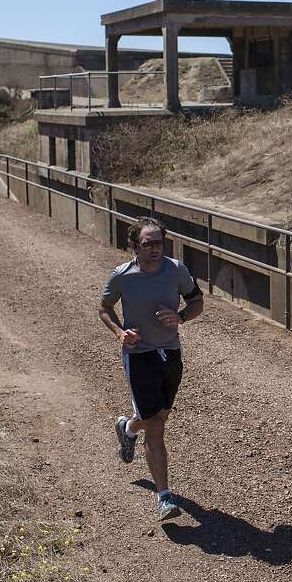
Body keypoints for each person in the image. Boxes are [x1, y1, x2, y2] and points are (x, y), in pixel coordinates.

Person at [99, 217, 203, 521]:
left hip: (170, 353)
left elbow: (197, 301)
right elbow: (104, 308)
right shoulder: (122, 276)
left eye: (159, 243)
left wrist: (181, 317)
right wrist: (120, 332)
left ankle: (127, 428)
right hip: (138, 355)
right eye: (148, 244)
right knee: (156, 424)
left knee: (160, 415)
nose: (155, 249)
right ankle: (164, 497)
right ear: (135, 245)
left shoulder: (177, 270)